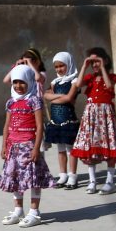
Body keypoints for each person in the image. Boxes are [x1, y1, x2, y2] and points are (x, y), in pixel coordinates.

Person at [0, 65, 55, 227]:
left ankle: (34, 212)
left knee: (33, 179)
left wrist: (37, 148)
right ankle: (18, 210)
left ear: (29, 81)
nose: (18, 86)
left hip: (29, 146)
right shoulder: (11, 103)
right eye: (15, 82)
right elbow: (6, 126)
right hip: (13, 147)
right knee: (15, 177)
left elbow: (39, 126)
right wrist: (4, 146)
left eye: (22, 82)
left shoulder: (34, 101)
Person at [70, 46, 116, 194]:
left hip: (105, 116)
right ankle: (92, 180)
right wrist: (84, 65)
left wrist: (103, 66)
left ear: (105, 61)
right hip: (91, 116)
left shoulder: (111, 76)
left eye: (97, 61)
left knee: (109, 145)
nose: (95, 65)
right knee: (91, 147)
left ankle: (110, 182)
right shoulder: (89, 78)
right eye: (93, 62)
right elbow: (77, 84)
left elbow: (109, 86)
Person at [43, 51, 81, 188]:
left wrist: (54, 99)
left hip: (68, 120)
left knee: (71, 149)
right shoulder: (55, 82)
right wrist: (59, 97)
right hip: (55, 121)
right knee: (60, 149)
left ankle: (72, 176)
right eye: (56, 67)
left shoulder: (74, 81)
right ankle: (62, 175)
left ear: (69, 64)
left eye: (62, 66)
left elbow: (69, 98)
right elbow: (46, 95)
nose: (59, 69)